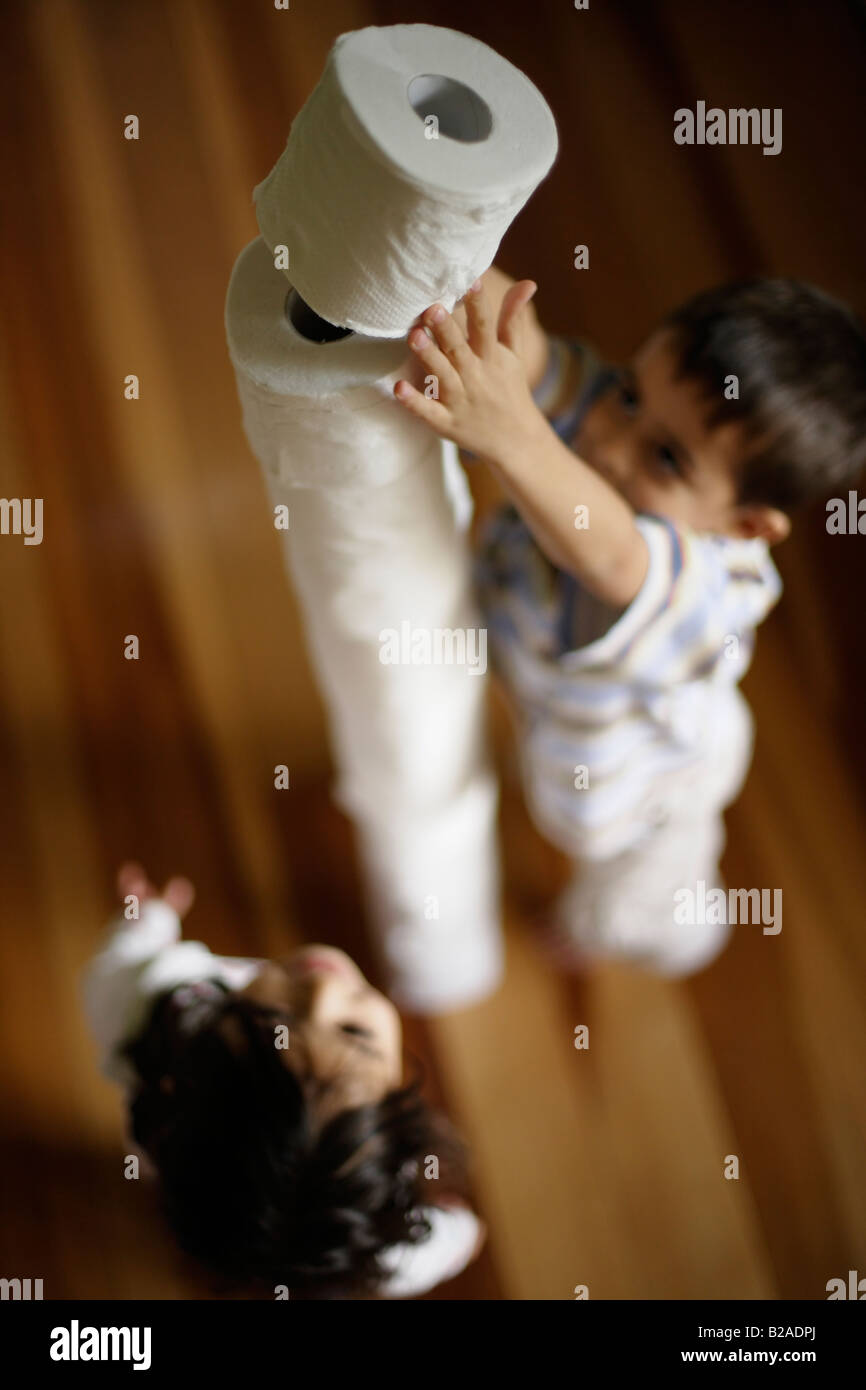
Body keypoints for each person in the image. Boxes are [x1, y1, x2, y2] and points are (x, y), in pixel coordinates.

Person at [394, 271, 866, 974]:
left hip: (656, 791)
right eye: (630, 393)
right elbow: (535, 355)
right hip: (563, 708)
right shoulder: (604, 415)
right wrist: (460, 258)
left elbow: (613, 555)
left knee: (629, 908)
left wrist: (514, 435)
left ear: (742, 525)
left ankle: (678, 934)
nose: (611, 442)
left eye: (667, 458)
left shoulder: (708, 584)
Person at [81, 862, 486, 1299]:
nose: (322, 991)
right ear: (398, 1117)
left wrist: (147, 925)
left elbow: (120, 967)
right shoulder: (394, 1248)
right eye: (355, 1033)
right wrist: (460, 1233)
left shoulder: (150, 1002)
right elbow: (443, 1243)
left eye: (277, 1023)